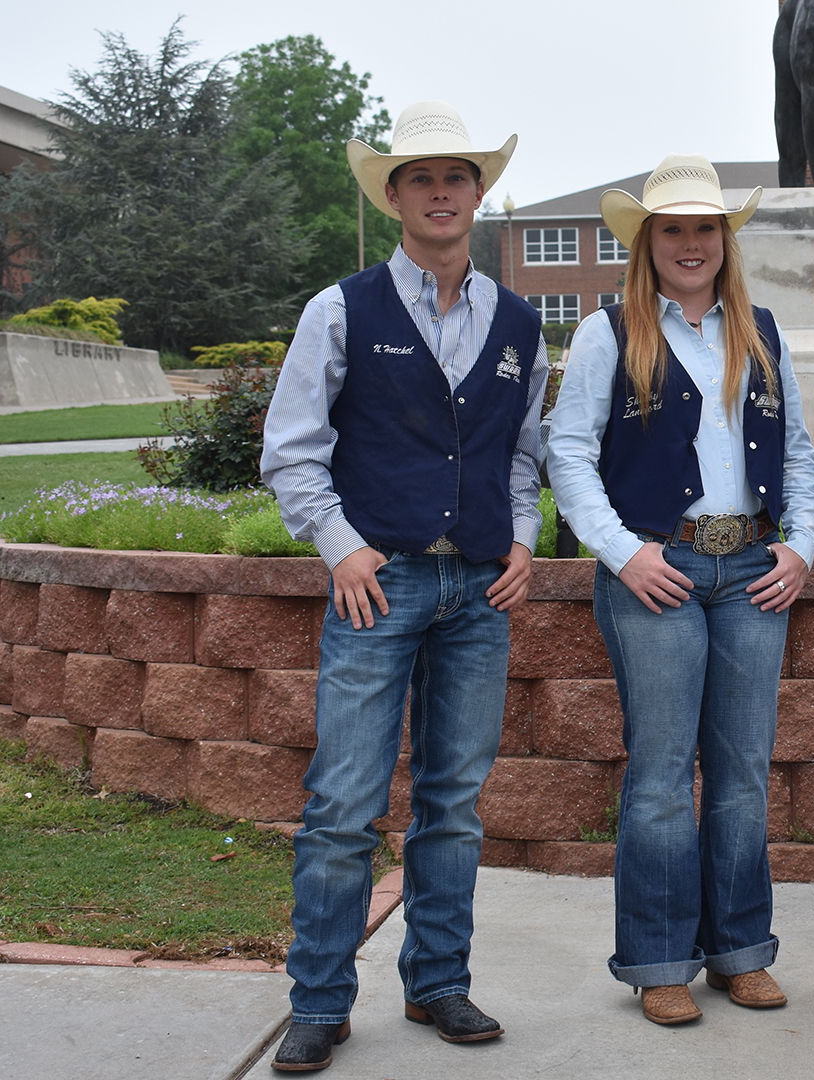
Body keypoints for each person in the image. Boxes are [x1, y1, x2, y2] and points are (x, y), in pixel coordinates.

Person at [259, 101, 545, 1071]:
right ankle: (320, 999)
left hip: (477, 593)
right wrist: (340, 548)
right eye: (419, 177)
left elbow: (520, 451)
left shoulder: (517, 320)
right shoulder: (340, 310)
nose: (439, 192)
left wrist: (523, 537)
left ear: (476, 193)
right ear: (393, 196)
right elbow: (293, 452)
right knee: (344, 803)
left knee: (455, 804)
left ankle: (438, 985)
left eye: (455, 176)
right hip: (375, 591)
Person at [546, 154, 814, 1026]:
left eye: (707, 228)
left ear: (725, 240)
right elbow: (569, 455)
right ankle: (661, 959)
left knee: (741, 772)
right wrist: (625, 554)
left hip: (751, 573)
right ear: (649, 241)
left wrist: (802, 549)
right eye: (675, 229)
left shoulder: (762, 331)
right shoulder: (607, 330)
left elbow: (802, 454)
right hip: (655, 570)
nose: (692, 243)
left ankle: (740, 953)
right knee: (663, 775)